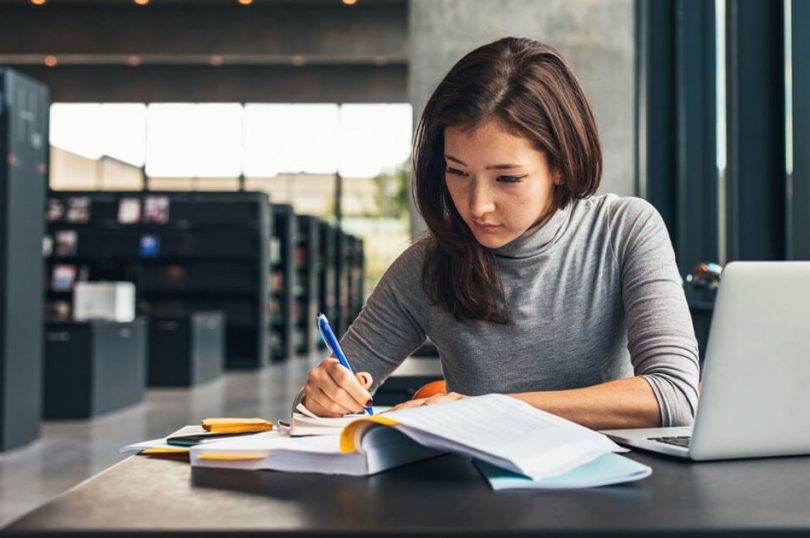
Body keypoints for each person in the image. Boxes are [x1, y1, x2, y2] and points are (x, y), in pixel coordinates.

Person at [298, 37, 699, 430]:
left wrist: (488, 409)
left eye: (507, 178)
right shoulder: (424, 266)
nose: (477, 206)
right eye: (458, 172)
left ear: (561, 165)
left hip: (613, 472)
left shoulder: (623, 230)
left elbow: (675, 396)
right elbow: (310, 413)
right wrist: (322, 398)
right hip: (477, 476)